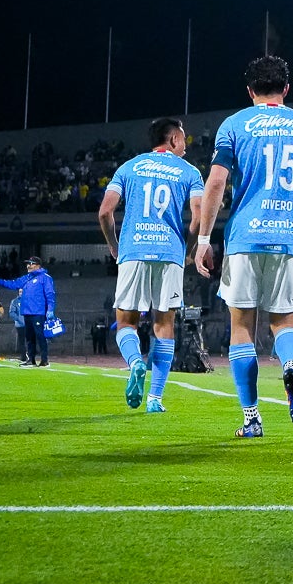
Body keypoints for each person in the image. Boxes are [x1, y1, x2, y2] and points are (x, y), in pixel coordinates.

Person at [192, 54, 293, 438]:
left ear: (249, 90)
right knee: (285, 323)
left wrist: (204, 239)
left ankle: (252, 418)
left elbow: (216, 185)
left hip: (244, 238)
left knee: (242, 328)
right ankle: (291, 366)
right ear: (287, 89)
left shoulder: (235, 125)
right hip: (290, 239)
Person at [97, 116, 206, 411]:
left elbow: (105, 212)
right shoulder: (190, 172)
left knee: (126, 322)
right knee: (164, 326)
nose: (186, 144)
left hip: (133, 251)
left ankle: (135, 362)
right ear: (173, 140)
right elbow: (198, 215)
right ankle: (155, 399)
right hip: (169, 253)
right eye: (183, 138)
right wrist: (189, 246)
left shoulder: (128, 167)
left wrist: (114, 245)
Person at [0, 255, 57, 367]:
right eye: (28, 263)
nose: (28, 265)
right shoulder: (27, 277)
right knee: (29, 338)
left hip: (38, 312)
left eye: (31, 263)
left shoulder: (45, 277)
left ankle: (44, 360)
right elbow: (13, 284)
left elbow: (50, 294)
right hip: (27, 312)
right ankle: (31, 360)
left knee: (40, 336)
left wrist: (50, 309)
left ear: (38, 265)